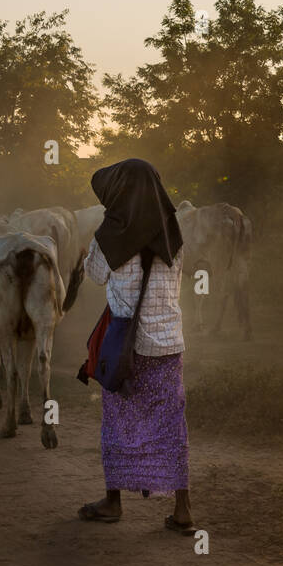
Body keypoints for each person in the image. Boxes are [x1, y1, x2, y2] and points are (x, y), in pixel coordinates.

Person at [77, 158, 194, 534]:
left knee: (118, 423)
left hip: (124, 346)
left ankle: (113, 502)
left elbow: (93, 276)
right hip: (167, 344)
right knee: (170, 426)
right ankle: (183, 509)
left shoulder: (109, 235)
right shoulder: (172, 234)